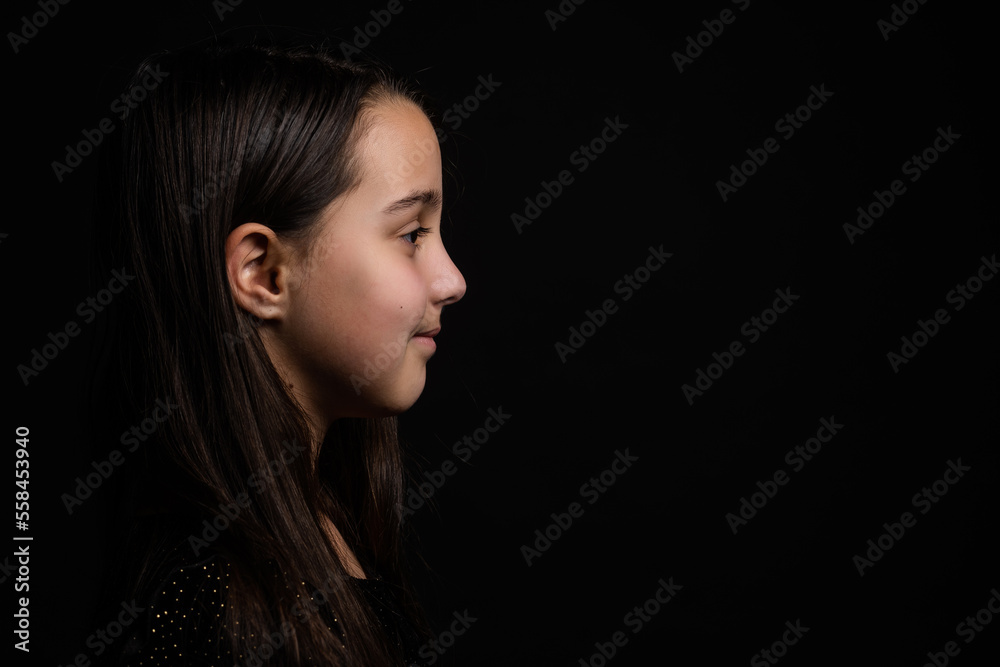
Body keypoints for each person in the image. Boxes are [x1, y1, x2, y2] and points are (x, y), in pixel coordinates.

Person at [87, 40, 466, 666]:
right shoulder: (207, 612)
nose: (452, 280)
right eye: (411, 234)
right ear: (263, 273)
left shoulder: (323, 526)